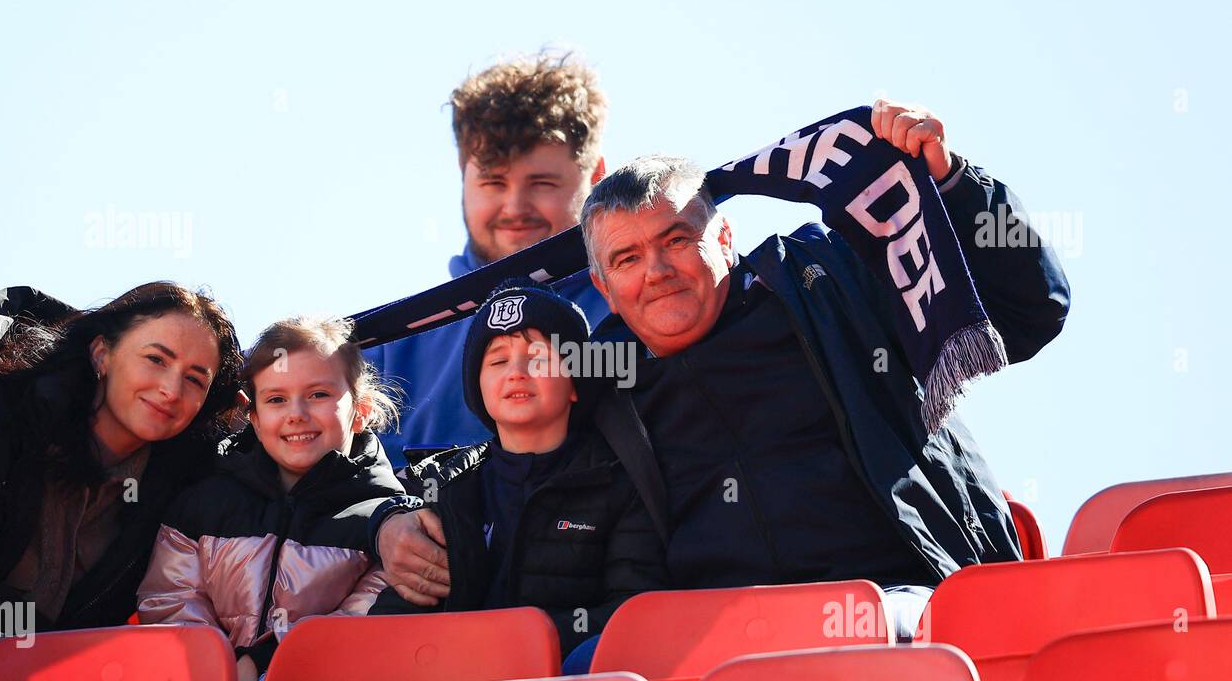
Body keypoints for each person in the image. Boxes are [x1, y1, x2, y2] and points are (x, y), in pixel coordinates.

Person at [378, 100, 1071, 642]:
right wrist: (391, 519)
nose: (655, 272)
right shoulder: (601, 373)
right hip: (701, 635)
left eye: (676, 240)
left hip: (898, 601)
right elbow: (510, 472)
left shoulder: (829, 283)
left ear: (727, 238)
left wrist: (951, 184)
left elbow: (1028, 309)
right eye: (626, 259)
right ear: (599, 281)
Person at [0, 283, 243, 681]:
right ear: (102, 355)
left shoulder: (182, 490)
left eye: (195, 379)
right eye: (156, 359)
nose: (172, 389)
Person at [367, 280, 668, 671]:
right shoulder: (442, 489)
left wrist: (510, 644)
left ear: (576, 382)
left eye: (539, 358)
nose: (517, 373)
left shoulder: (620, 485)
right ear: (478, 387)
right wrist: (382, 522)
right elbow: (393, 618)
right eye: (497, 361)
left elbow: (632, 610)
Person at [137, 316, 405, 681]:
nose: (296, 413)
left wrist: (267, 662)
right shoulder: (203, 503)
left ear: (359, 412)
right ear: (255, 419)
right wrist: (217, 672)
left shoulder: (386, 518)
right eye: (276, 399)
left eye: (318, 395)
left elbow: (364, 620)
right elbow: (169, 599)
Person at [365, 52, 612, 465]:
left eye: (542, 182)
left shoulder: (642, 307)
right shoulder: (384, 346)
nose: (515, 207)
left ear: (597, 176)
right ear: (464, 179)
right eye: (494, 182)